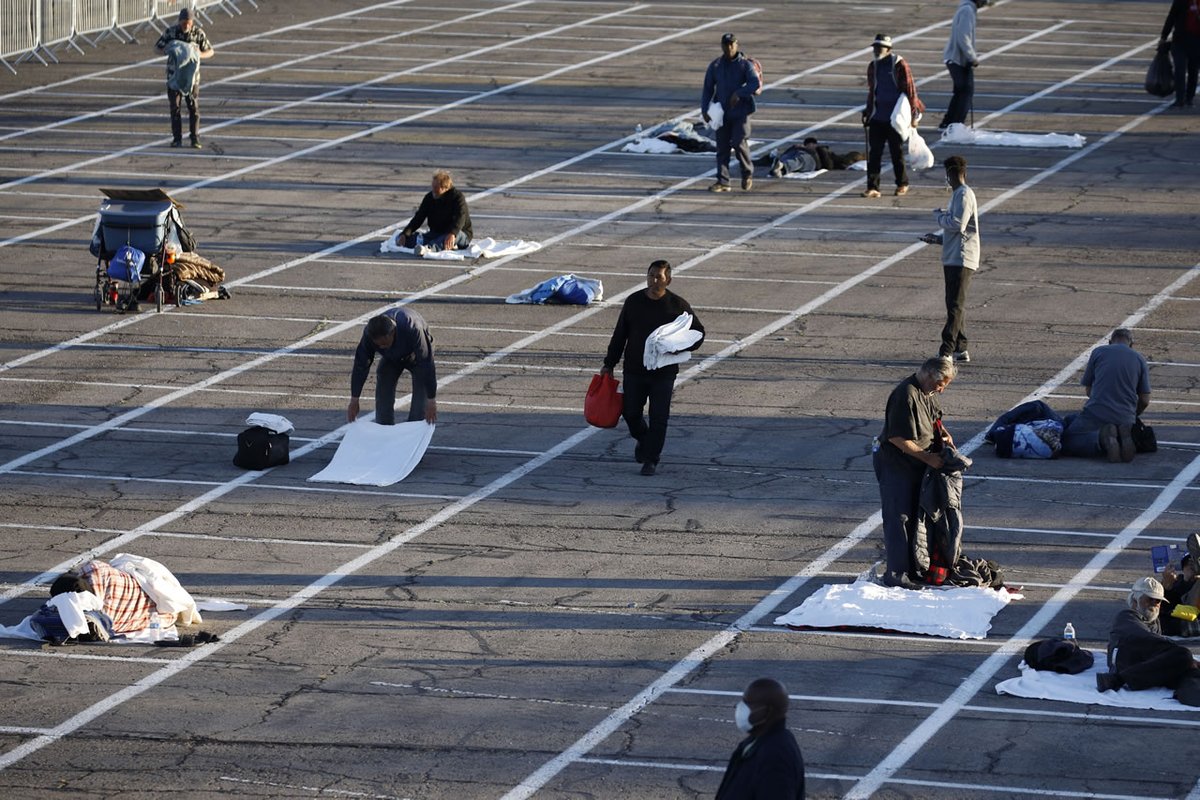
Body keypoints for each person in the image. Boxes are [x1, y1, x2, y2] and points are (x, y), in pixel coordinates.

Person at [602, 260, 705, 476]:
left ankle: (651, 459)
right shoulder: (634, 302)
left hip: (663, 373)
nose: (654, 280)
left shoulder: (677, 305)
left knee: (659, 417)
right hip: (635, 370)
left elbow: (697, 333)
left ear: (668, 280)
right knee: (630, 413)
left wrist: (675, 348)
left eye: (658, 277)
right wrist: (609, 364)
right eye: (650, 276)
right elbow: (620, 334)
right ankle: (644, 439)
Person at [873, 357, 957, 588]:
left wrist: (945, 437)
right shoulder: (905, 395)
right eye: (941, 384)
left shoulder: (928, 394)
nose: (941, 389)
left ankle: (913, 569)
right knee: (899, 517)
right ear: (929, 375)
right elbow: (897, 438)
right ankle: (897, 574)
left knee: (916, 517)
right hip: (897, 463)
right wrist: (928, 457)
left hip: (917, 463)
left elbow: (935, 421)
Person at [1096, 577, 1200, 706]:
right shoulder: (1127, 616)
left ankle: (1193, 695)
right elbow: (1144, 638)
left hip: (1146, 665)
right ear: (1135, 600)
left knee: (1188, 670)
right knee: (1183, 655)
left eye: (1158, 601)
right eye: (1149, 599)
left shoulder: (1154, 622)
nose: (1154, 603)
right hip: (1126, 660)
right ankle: (1118, 680)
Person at [920, 156, 980, 362]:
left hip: (961, 259)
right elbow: (955, 230)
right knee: (954, 304)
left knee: (955, 305)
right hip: (953, 256)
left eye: (947, 174)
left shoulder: (963, 194)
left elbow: (957, 224)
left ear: (953, 173)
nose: (947, 179)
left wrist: (938, 216)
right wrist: (937, 239)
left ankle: (946, 350)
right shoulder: (958, 194)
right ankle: (960, 348)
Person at [1061, 329, 1151, 461]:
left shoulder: (1098, 352)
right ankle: (1121, 433)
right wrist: (1133, 414)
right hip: (1126, 416)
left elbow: (1089, 390)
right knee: (1072, 419)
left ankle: (1102, 440)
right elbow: (1144, 400)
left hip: (1097, 412)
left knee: (1067, 439)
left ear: (1110, 342)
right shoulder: (1140, 359)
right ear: (1132, 344)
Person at [714, 678, 806, 799]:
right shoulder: (755, 742)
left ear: (767, 711)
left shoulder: (775, 756)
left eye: (748, 704)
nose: (741, 708)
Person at [348, 309, 438, 426]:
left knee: (420, 405)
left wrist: (431, 399)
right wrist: (354, 399)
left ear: (393, 332)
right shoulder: (369, 335)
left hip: (417, 356)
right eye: (378, 346)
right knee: (384, 377)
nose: (382, 347)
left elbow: (426, 362)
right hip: (391, 357)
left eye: (384, 344)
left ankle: (413, 429)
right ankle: (383, 428)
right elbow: (361, 365)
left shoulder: (412, 328)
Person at [862, 34, 924, 198]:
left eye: (880, 47)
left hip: (895, 118)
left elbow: (910, 90)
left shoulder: (899, 65)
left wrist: (914, 116)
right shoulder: (873, 66)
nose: (876, 50)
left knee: (897, 152)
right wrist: (868, 112)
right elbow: (872, 91)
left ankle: (902, 183)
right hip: (878, 116)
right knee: (874, 153)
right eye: (875, 47)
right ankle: (873, 187)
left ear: (889, 49)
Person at [701, 33, 761, 193]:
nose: (729, 48)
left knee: (738, 142)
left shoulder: (745, 65)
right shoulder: (716, 65)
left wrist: (739, 93)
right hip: (722, 113)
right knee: (722, 148)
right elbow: (707, 88)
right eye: (726, 45)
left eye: (732, 44)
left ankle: (747, 173)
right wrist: (705, 109)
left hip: (741, 113)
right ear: (721, 46)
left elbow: (754, 83)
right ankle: (723, 181)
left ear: (737, 45)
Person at [154, 8, 214, 149]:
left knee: (193, 108)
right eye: (183, 23)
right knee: (175, 108)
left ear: (192, 22)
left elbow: (211, 51)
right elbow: (156, 48)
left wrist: (200, 54)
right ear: (179, 21)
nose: (186, 26)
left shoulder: (198, 34)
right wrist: (166, 51)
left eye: (188, 23)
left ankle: (195, 138)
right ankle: (177, 139)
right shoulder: (171, 32)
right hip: (174, 77)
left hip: (192, 78)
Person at [938, 0, 988, 129]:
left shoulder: (966, 9)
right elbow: (963, 37)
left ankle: (949, 122)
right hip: (958, 59)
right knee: (966, 91)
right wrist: (972, 57)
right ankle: (956, 124)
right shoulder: (967, 11)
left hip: (957, 59)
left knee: (960, 92)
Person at [398, 170, 473, 254]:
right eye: (433, 187)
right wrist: (405, 233)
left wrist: (452, 233)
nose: (433, 190)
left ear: (445, 188)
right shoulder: (429, 197)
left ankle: (429, 248)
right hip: (437, 233)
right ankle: (426, 244)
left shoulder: (457, 198)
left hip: (459, 234)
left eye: (436, 188)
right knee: (405, 239)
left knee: (449, 237)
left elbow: (460, 218)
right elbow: (419, 218)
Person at [1161, 0, 1200, 109]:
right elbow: (1171, 16)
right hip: (1180, 40)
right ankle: (1179, 99)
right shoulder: (1181, 1)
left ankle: (1189, 99)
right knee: (1179, 69)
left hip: (1197, 41)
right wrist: (1163, 36)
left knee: (1193, 71)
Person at [760, 137, 865, 176]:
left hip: (811, 159)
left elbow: (829, 164)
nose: (810, 145)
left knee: (799, 161)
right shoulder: (803, 148)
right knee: (783, 158)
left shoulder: (822, 151)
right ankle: (779, 166)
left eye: (811, 144)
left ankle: (782, 168)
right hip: (796, 152)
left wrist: (808, 149)